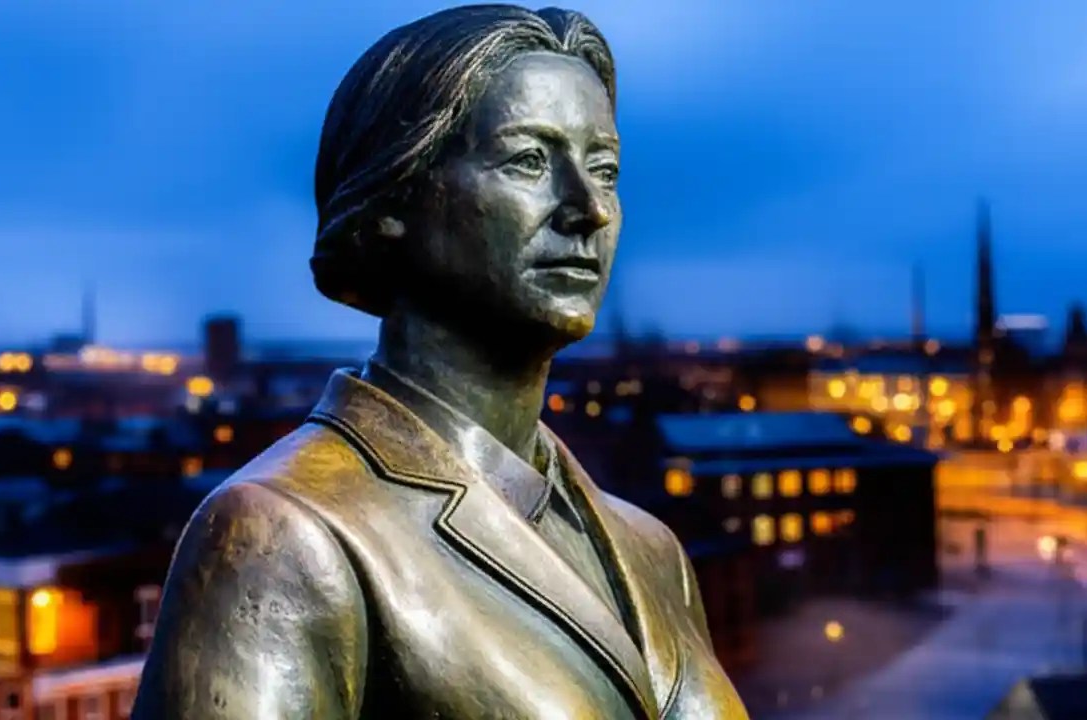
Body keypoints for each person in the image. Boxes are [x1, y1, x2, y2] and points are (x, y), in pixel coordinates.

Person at [132, 5, 749, 718]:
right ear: (396, 199)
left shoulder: (651, 552)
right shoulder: (283, 539)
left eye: (604, 170)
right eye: (528, 160)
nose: (589, 209)